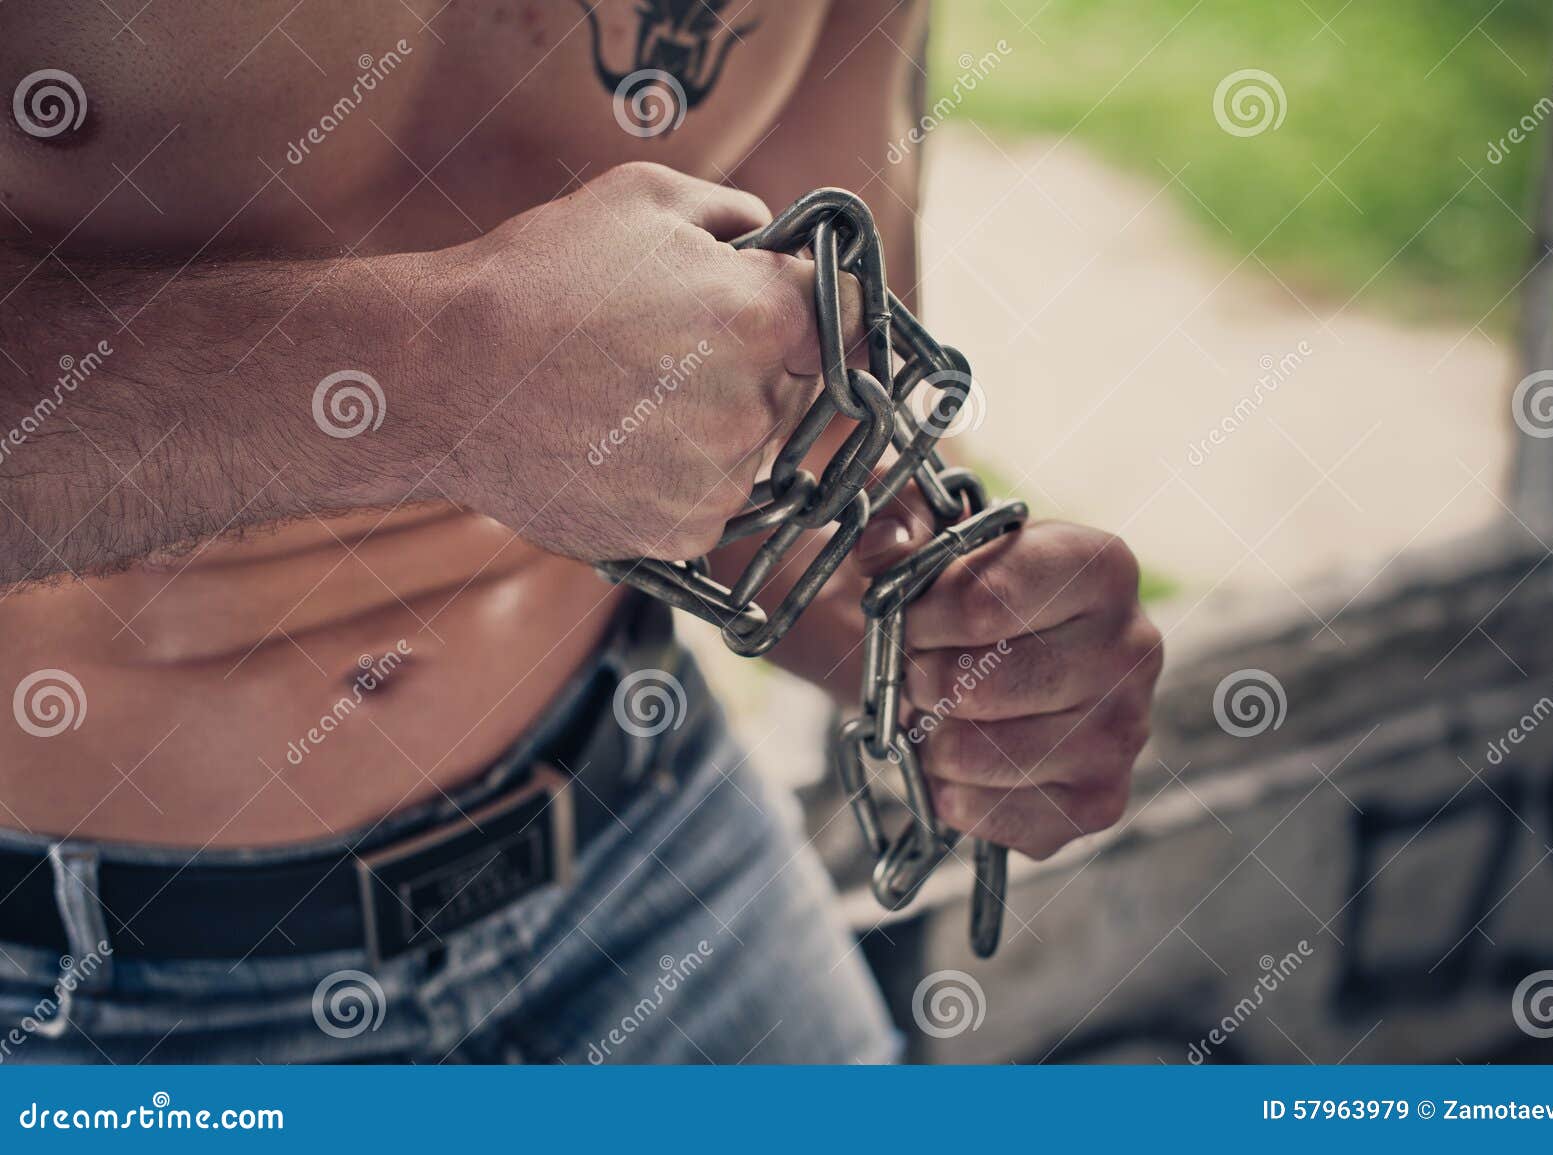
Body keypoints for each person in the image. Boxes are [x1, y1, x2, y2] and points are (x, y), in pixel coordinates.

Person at [0, 0, 1162, 1064]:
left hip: (644, 842)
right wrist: (438, 377)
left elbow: (816, 433)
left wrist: (962, 647)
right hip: (86, 982)